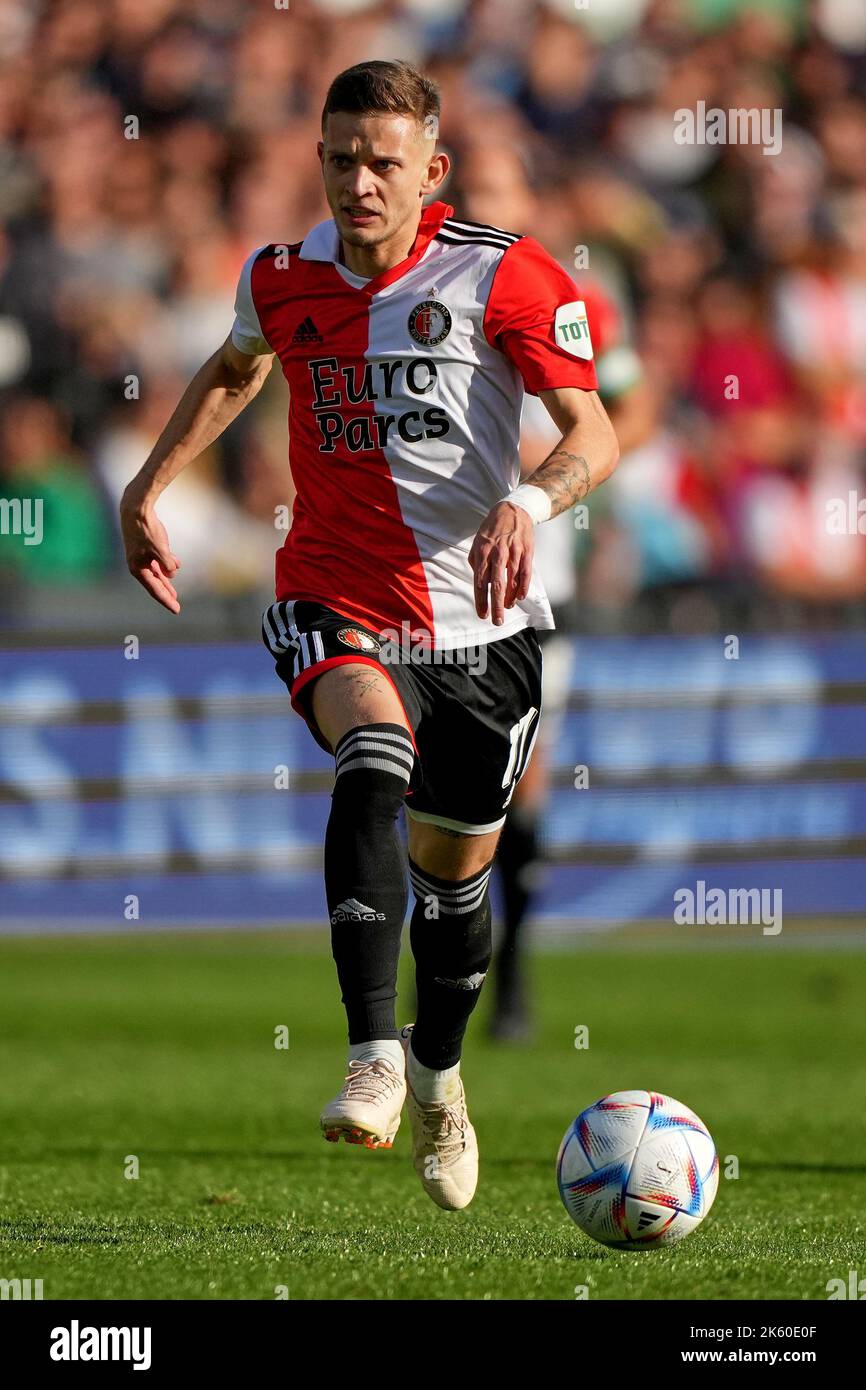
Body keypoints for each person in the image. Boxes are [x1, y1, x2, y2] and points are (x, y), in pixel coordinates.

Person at [119, 60, 619, 1212]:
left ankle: (441, 1079)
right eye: (341, 157)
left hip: (481, 628)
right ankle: (372, 1055)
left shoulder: (503, 276)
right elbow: (237, 365)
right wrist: (151, 483)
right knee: (370, 758)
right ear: (320, 160)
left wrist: (528, 502)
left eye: (383, 161)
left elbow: (589, 430)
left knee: (455, 895)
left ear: (429, 170)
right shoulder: (282, 278)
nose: (359, 181)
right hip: (333, 594)